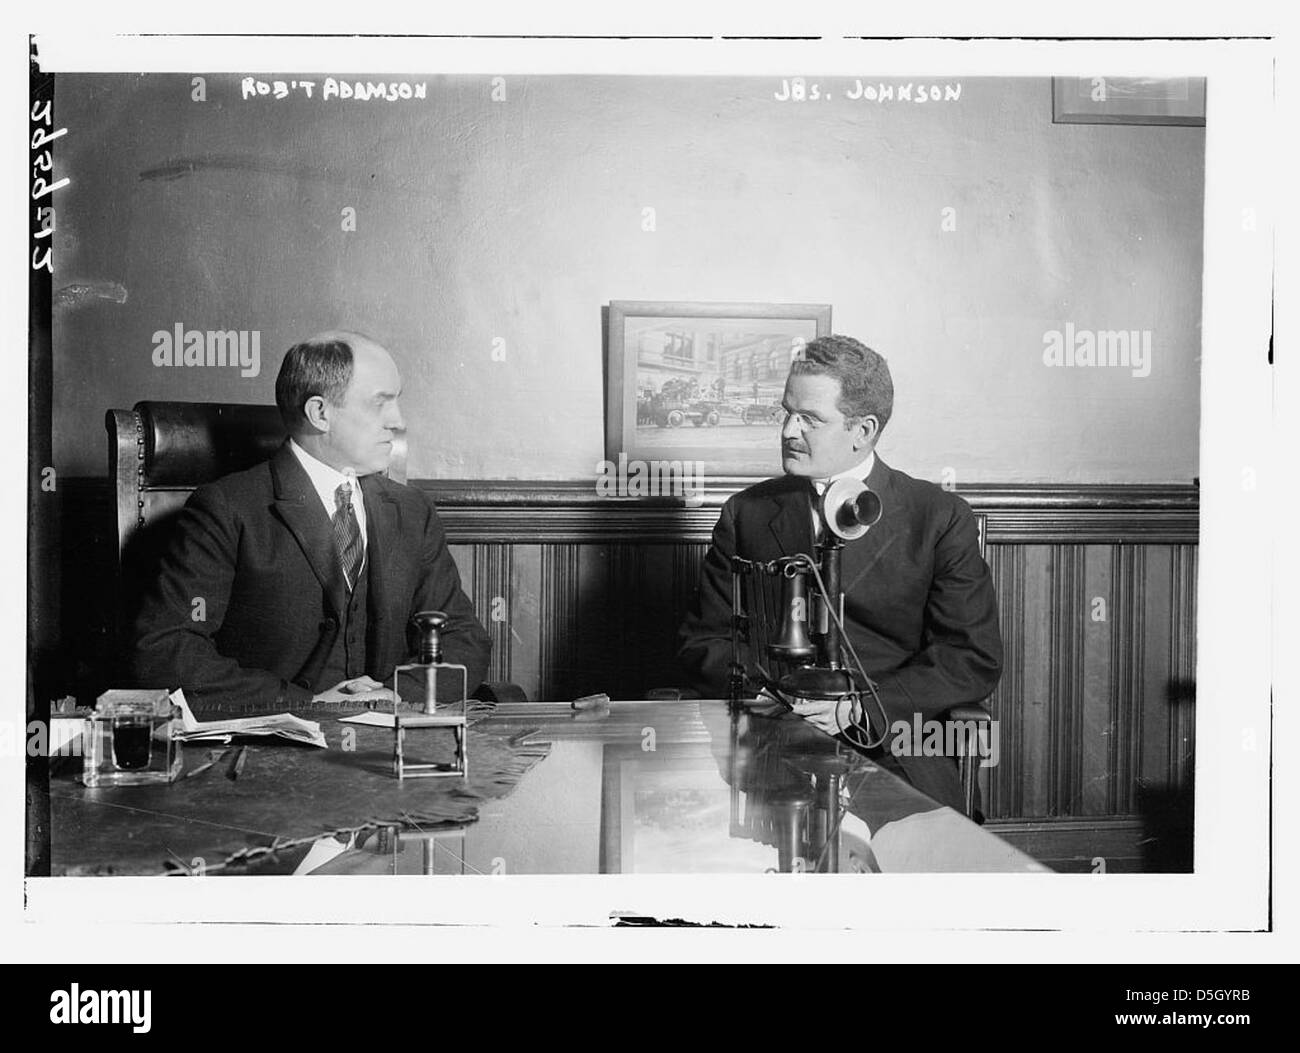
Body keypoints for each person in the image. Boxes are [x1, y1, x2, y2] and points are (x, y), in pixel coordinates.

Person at [677, 334, 1002, 813]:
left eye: (810, 419)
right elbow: (704, 642)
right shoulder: (745, 513)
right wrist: (770, 699)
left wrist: (860, 711)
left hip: (891, 744)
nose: (789, 430)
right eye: (786, 412)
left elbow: (970, 657)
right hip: (768, 741)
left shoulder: (939, 517)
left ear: (863, 429)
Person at [131, 332, 491, 712]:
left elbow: (463, 637)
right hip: (272, 750)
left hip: (388, 744)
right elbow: (166, 651)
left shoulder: (411, 511)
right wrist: (305, 703)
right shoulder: (226, 508)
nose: (398, 421)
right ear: (320, 413)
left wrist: (395, 694)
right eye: (380, 403)